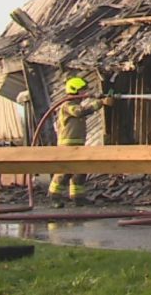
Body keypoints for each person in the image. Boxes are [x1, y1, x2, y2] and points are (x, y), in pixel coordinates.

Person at [48, 76, 112, 208]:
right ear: (75, 90)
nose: (85, 94)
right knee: (64, 172)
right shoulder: (68, 106)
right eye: (83, 91)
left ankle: (78, 197)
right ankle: (54, 196)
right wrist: (100, 103)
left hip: (78, 145)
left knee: (80, 171)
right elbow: (80, 112)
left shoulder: (76, 105)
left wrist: (99, 99)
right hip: (67, 145)